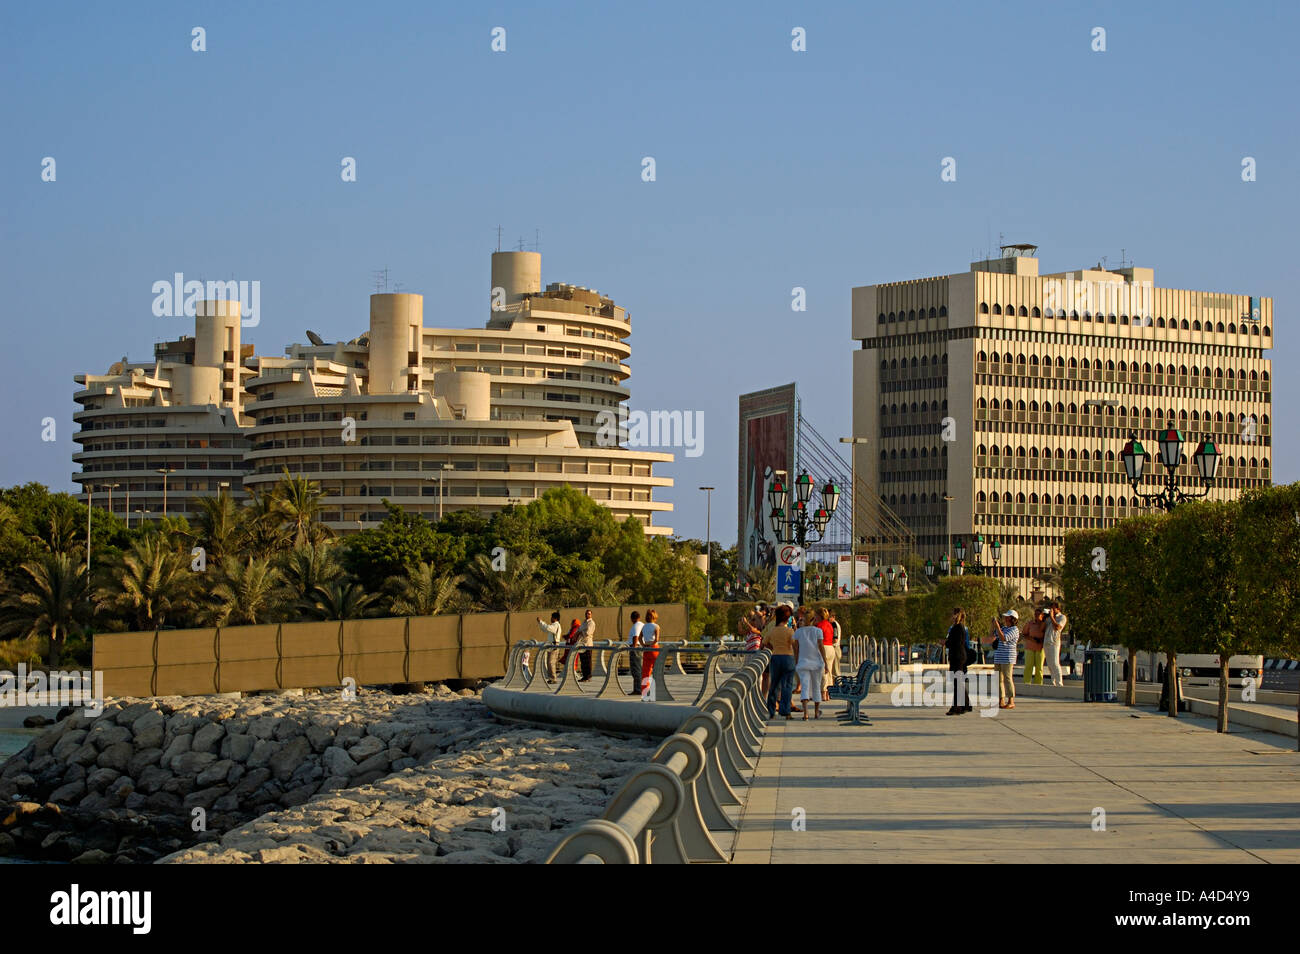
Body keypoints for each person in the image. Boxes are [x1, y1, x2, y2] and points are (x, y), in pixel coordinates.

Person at [762, 605, 798, 719]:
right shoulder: (789, 631)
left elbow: (764, 642)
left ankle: (772, 712)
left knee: (774, 685)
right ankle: (786, 712)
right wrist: (796, 658)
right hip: (788, 658)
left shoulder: (772, 631)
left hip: (776, 657)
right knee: (787, 686)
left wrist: (773, 647)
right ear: (788, 618)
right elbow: (794, 644)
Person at [793, 615, 829, 720]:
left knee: (805, 686)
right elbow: (821, 646)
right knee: (816, 687)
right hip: (817, 663)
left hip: (803, 662)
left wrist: (796, 661)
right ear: (813, 620)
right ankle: (816, 712)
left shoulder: (798, 632)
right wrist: (825, 662)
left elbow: (796, 648)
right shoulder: (818, 631)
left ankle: (806, 713)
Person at [986, 609, 1020, 709]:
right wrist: (993, 625)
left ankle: (1011, 700)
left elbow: (1003, 638)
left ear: (1012, 618)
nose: (1005, 618)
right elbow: (992, 635)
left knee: (1007, 678)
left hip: (1008, 657)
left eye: (1007, 617)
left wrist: (998, 627)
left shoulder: (1014, 630)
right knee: (998, 679)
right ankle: (1001, 699)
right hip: (999, 656)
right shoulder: (1004, 628)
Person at [945, 608, 973, 715]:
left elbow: (957, 643)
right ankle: (966, 705)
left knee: (957, 682)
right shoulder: (955, 628)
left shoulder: (959, 628)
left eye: (954, 614)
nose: (952, 616)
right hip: (955, 656)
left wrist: (947, 642)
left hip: (958, 657)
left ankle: (957, 707)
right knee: (958, 682)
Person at [1044, 601, 1068, 686]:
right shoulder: (1048, 619)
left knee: (1055, 663)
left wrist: (1052, 617)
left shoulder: (1062, 617)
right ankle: (1053, 682)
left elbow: (1058, 627)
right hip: (1046, 642)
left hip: (1054, 642)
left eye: (1053, 608)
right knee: (1050, 664)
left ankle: (1059, 683)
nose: (1052, 610)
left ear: (1058, 608)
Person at [814, 608, 836, 701]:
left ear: (819, 616)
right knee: (829, 671)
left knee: (823, 671)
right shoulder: (829, 625)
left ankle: (823, 693)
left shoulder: (819, 625)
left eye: (815, 615)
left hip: (824, 648)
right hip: (831, 648)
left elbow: (817, 640)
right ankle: (828, 693)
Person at [638, 609, 660, 697]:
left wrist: (644, 645)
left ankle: (644, 691)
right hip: (654, 649)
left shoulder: (644, 627)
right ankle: (658, 689)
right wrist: (652, 644)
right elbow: (656, 639)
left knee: (646, 671)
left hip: (646, 649)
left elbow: (640, 638)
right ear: (654, 617)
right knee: (657, 669)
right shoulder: (656, 626)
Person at [1023, 608, 1047, 686]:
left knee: (1039, 668)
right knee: (1028, 666)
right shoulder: (1030, 623)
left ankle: (1038, 684)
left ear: (1042, 615)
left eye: (1038, 614)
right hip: (1030, 647)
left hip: (1040, 648)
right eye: (1035, 614)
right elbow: (1024, 634)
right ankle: (1027, 682)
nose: (1036, 616)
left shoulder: (1044, 624)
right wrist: (1032, 639)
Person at [536, 611, 562, 683]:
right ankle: (551, 678)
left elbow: (547, 628)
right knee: (549, 662)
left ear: (555, 618)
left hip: (554, 645)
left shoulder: (556, 625)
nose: (551, 618)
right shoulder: (553, 625)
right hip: (551, 645)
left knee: (551, 662)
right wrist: (540, 623)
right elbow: (545, 629)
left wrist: (541, 622)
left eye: (552, 617)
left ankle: (553, 678)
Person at [626, 611, 643, 694]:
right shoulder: (642, 624)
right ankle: (640, 688)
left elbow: (636, 636)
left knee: (636, 669)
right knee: (639, 669)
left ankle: (638, 689)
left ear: (632, 618)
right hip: (640, 648)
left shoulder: (636, 626)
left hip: (635, 649)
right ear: (639, 617)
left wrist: (633, 647)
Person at [577, 609, 597, 681]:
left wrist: (580, 632)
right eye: (586, 613)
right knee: (583, 661)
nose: (587, 615)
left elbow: (587, 633)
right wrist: (579, 632)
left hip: (587, 644)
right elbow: (579, 629)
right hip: (582, 644)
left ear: (591, 615)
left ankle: (588, 676)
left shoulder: (591, 623)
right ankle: (584, 676)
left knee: (588, 661)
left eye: (588, 614)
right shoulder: (584, 622)